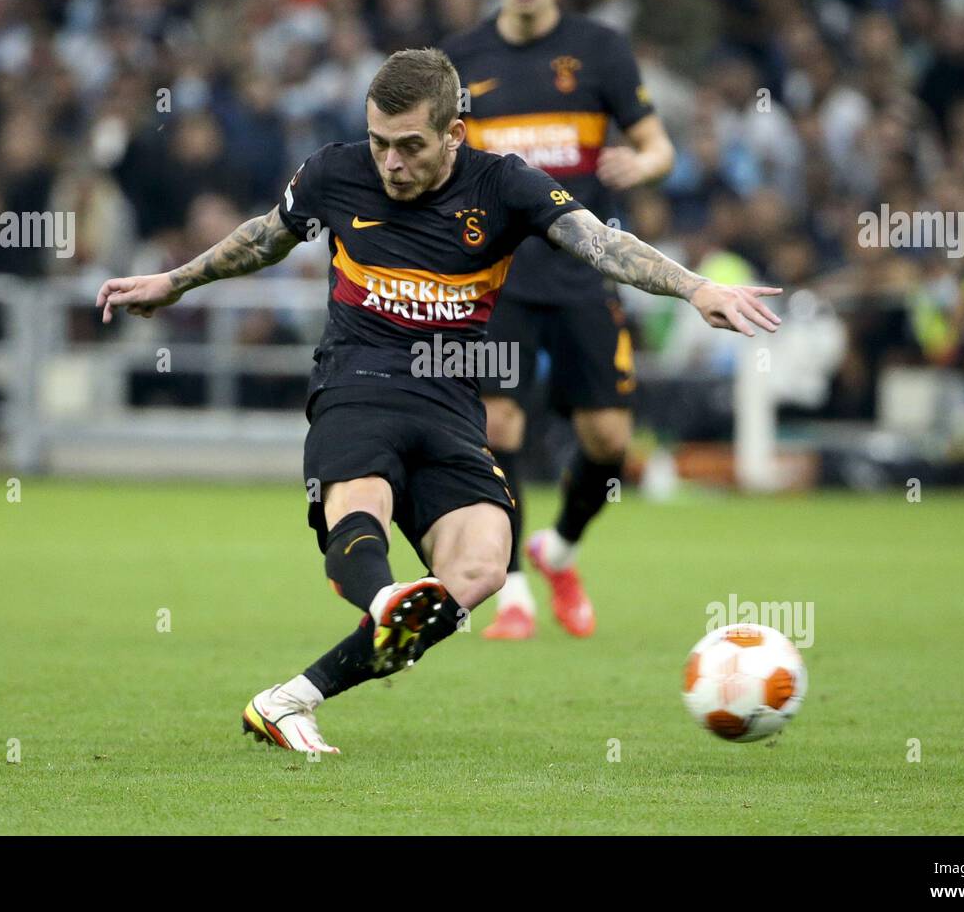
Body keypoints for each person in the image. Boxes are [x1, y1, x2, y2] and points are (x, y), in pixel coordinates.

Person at [96, 48, 780, 754]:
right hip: (357, 380)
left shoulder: (505, 185)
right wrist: (173, 281)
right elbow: (266, 237)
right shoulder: (335, 171)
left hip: (451, 395)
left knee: (482, 565)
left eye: (411, 146)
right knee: (359, 502)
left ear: (455, 133)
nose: (391, 162)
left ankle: (289, 699)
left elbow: (600, 244)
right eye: (380, 143)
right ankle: (385, 597)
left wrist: (697, 287)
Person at [440, 0, 676, 640]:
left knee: (608, 440)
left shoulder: (600, 50)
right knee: (499, 422)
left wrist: (643, 163)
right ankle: (511, 590)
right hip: (495, 275)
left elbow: (658, 144)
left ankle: (559, 548)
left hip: (582, 268)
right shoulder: (458, 61)